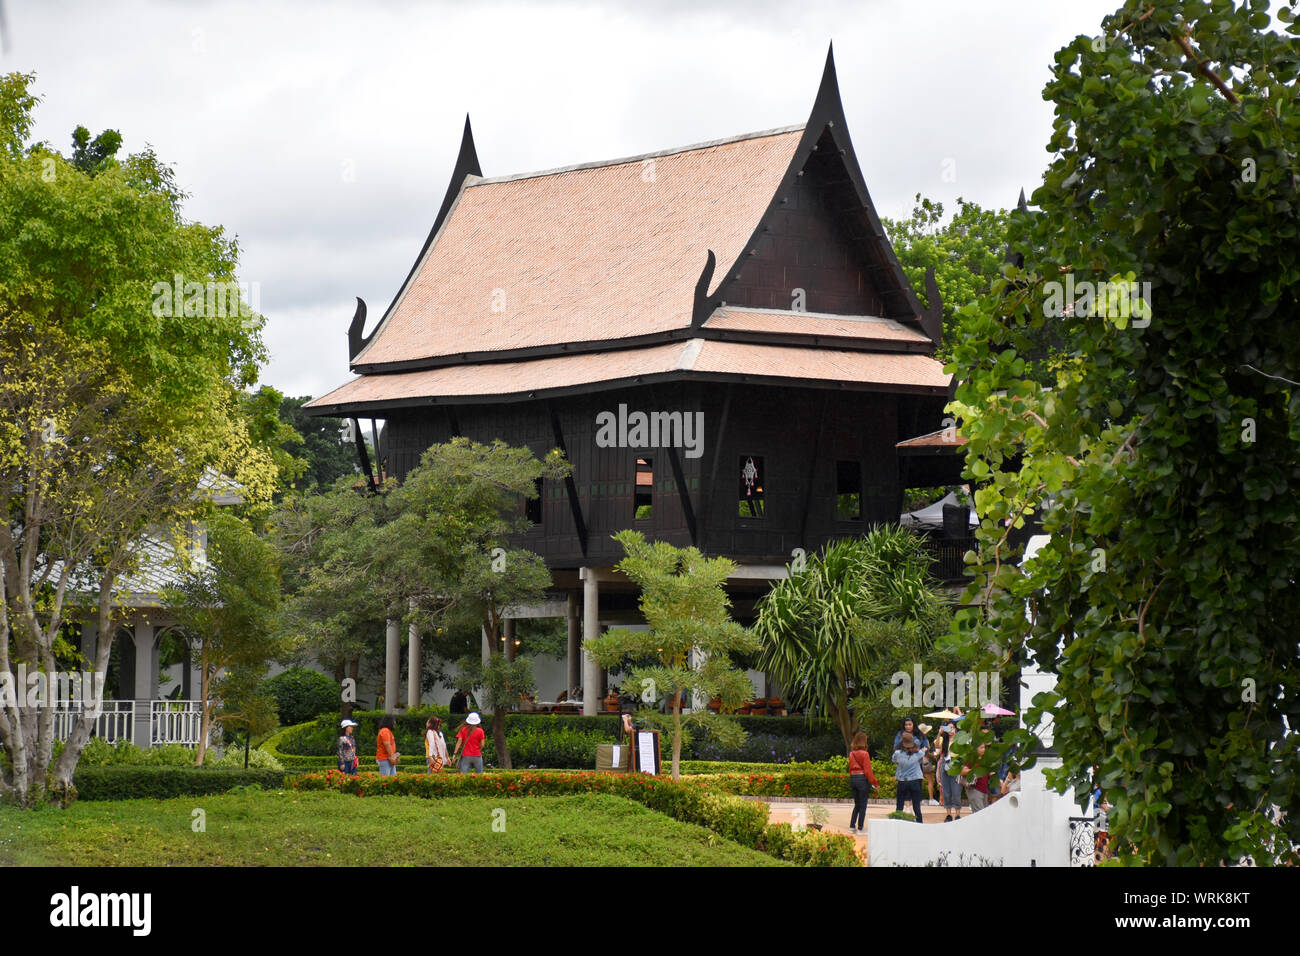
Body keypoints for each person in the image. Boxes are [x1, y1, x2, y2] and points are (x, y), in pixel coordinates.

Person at [848, 732, 877, 834]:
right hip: (861, 779)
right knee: (863, 805)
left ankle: (852, 826)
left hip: (853, 778)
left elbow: (850, 768)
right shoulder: (865, 754)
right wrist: (875, 783)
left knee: (857, 804)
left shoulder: (851, 754)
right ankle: (860, 828)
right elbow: (868, 771)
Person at [892, 731, 925, 823]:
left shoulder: (898, 753)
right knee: (916, 807)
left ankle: (897, 824)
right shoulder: (918, 754)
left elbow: (894, 759)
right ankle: (919, 824)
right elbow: (922, 749)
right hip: (914, 781)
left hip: (902, 781)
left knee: (899, 806)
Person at [936, 720, 962, 822]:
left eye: (952, 728)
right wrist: (939, 733)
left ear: (956, 729)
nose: (951, 730)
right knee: (946, 791)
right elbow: (937, 746)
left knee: (956, 791)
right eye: (948, 728)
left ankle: (958, 814)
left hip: (956, 764)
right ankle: (948, 814)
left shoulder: (959, 739)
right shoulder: (944, 739)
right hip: (945, 765)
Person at [961, 742, 991, 812]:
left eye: (984, 747)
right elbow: (962, 771)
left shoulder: (984, 758)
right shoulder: (971, 759)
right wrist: (974, 770)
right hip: (975, 789)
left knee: (983, 814)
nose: (983, 749)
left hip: (984, 790)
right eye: (981, 748)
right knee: (979, 814)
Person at [918, 722, 937, 805]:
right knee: (930, 780)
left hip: (917, 761)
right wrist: (932, 755)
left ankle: (919, 799)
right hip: (925, 761)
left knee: (919, 781)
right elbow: (926, 752)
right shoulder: (924, 739)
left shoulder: (916, 739)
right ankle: (931, 799)